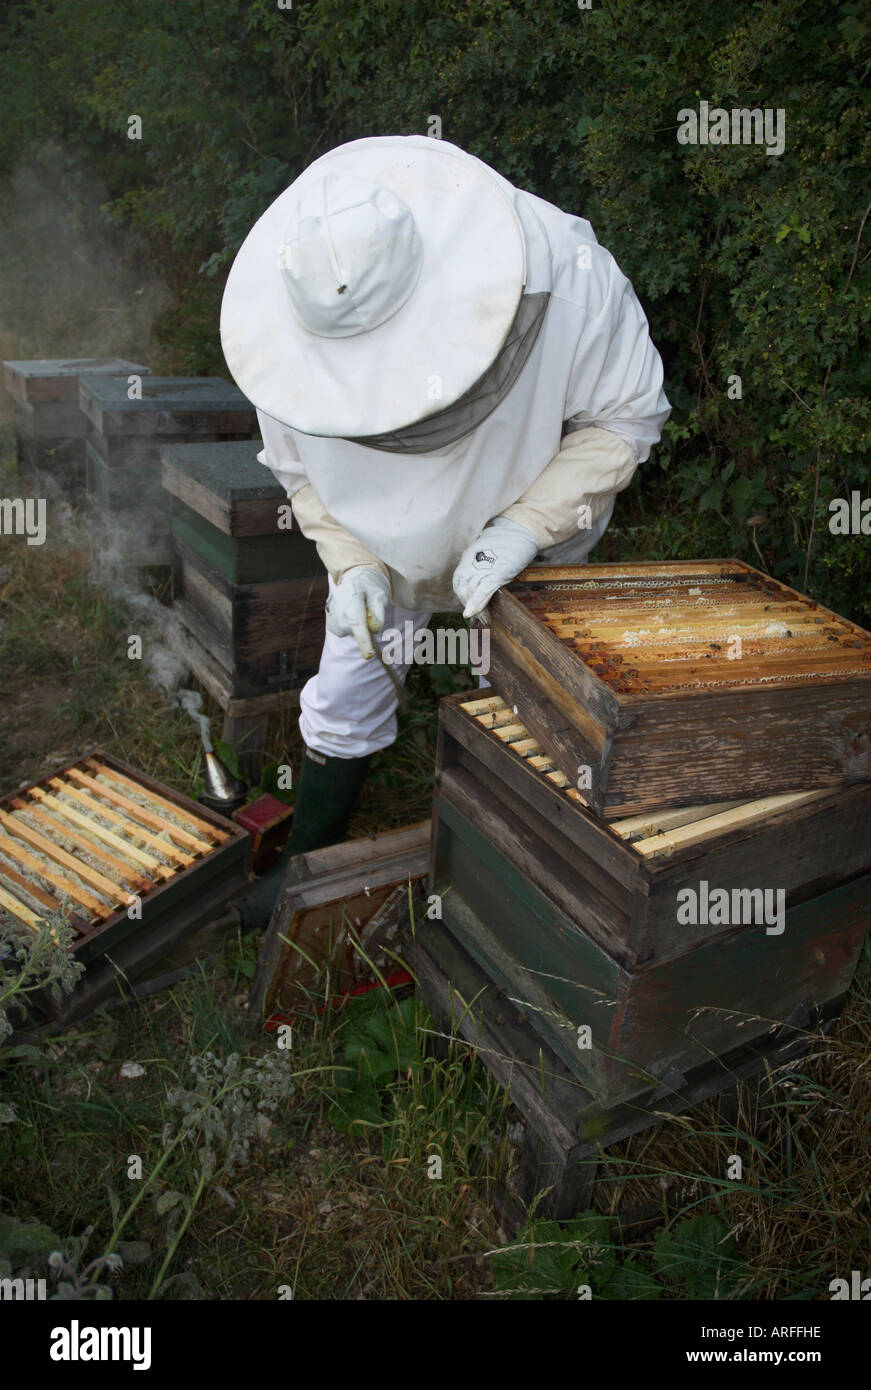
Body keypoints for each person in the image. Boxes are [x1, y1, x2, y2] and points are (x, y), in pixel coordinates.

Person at [220, 134, 670, 929]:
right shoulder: (282, 326)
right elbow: (299, 470)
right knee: (348, 680)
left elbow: (624, 418)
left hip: (525, 532)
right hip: (378, 551)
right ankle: (310, 859)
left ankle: (494, 858)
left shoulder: (565, 273)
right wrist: (350, 558)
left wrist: (528, 526)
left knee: (522, 700)